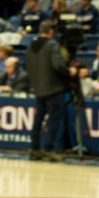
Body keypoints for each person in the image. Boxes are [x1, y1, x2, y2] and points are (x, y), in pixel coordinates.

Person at [25, 18, 71, 159]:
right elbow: (57, 65)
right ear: (51, 31)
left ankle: (34, 148)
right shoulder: (52, 44)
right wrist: (69, 72)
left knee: (38, 119)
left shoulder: (31, 45)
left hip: (38, 88)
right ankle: (49, 150)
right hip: (53, 88)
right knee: (54, 120)